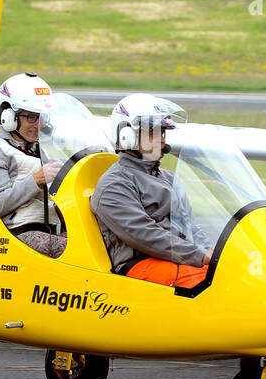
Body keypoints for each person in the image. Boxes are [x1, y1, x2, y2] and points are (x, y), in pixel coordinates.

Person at [91, 93, 213, 288]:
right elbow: (145, 235)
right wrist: (199, 255)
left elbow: (190, 227)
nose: (161, 140)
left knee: (229, 272)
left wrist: (211, 252)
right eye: (153, 132)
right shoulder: (114, 185)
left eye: (162, 132)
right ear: (126, 135)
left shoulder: (169, 178)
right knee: (211, 284)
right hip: (139, 265)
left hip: (177, 258)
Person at [0, 72, 66, 257]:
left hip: (50, 229)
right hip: (20, 234)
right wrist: (36, 180)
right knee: (81, 251)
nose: (38, 125)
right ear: (9, 116)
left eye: (41, 117)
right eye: (31, 117)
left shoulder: (40, 149)